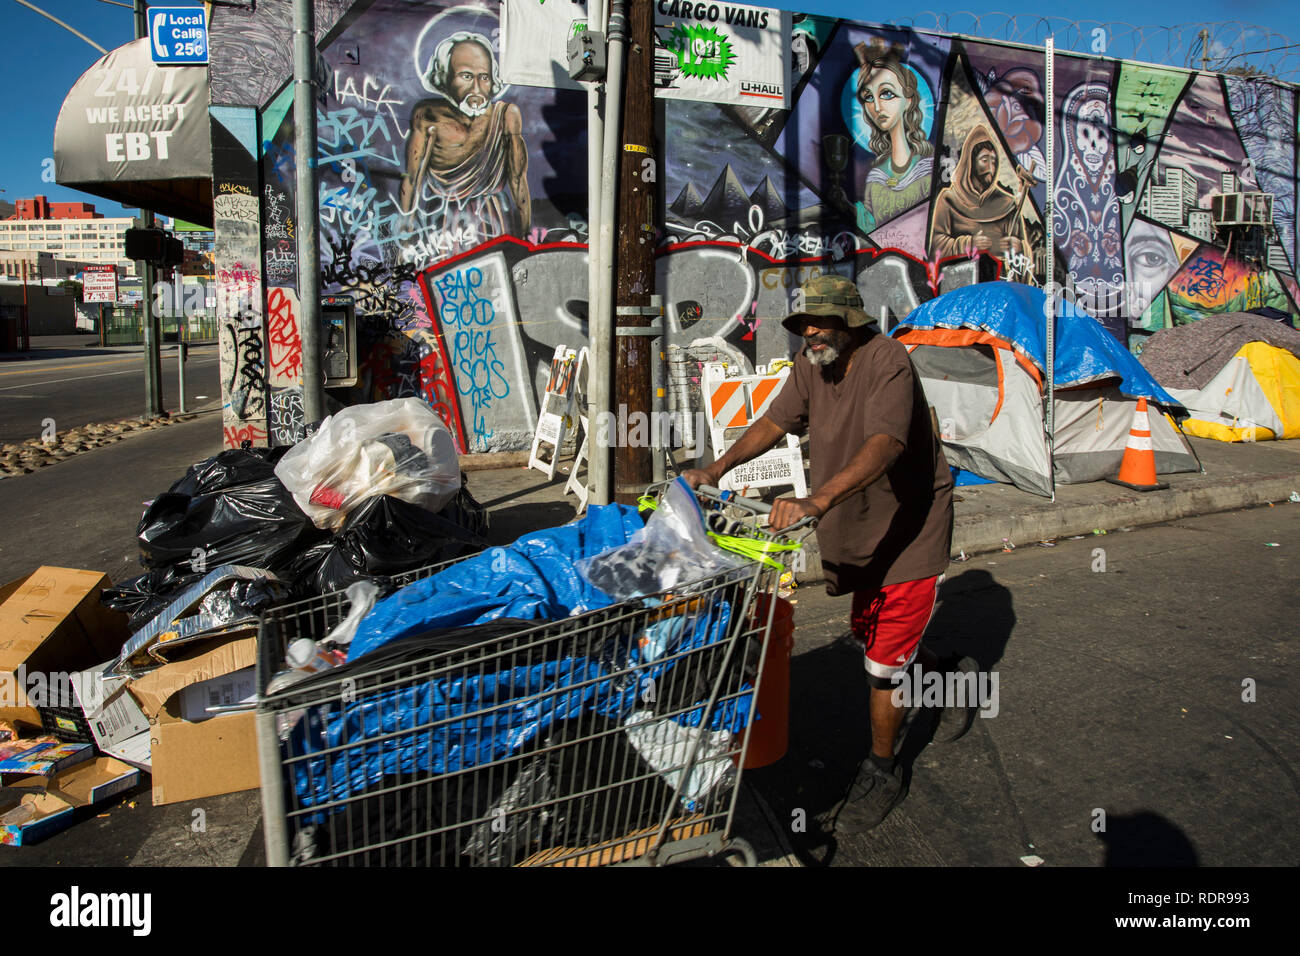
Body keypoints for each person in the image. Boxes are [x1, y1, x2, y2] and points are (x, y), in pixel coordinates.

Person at [683, 274, 973, 830]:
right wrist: (715, 469)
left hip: (910, 525)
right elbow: (775, 420)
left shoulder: (887, 361)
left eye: (821, 323)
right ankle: (946, 675)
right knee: (873, 636)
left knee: (882, 665)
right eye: (804, 325)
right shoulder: (811, 364)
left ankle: (883, 766)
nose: (810, 334)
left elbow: (886, 443)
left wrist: (815, 499)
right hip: (859, 524)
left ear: (851, 322)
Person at [399, 32, 531, 248]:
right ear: (445, 77)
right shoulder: (429, 116)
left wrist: (526, 237)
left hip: (492, 220)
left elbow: (518, 181)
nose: (477, 88)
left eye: (484, 77)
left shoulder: (506, 115)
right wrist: (405, 237)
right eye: (467, 76)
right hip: (443, 225)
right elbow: (413, 179)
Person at [853, 40, 934, 234]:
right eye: (869, 97)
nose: (877, 107)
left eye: (887, 94)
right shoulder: (876, 178)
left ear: (908, 100)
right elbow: (869, 231)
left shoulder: (929, 171)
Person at [930, 123, 1033, 260]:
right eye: (984, 160)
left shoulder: (1007, 204)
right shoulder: (949, 200)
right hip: (962, 272)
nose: (991, 168)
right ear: (970, 162)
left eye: (994, 161)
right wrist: (969, 244)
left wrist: (1019, 247)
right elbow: (936, 246)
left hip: (998, 272)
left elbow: (1025, 257)